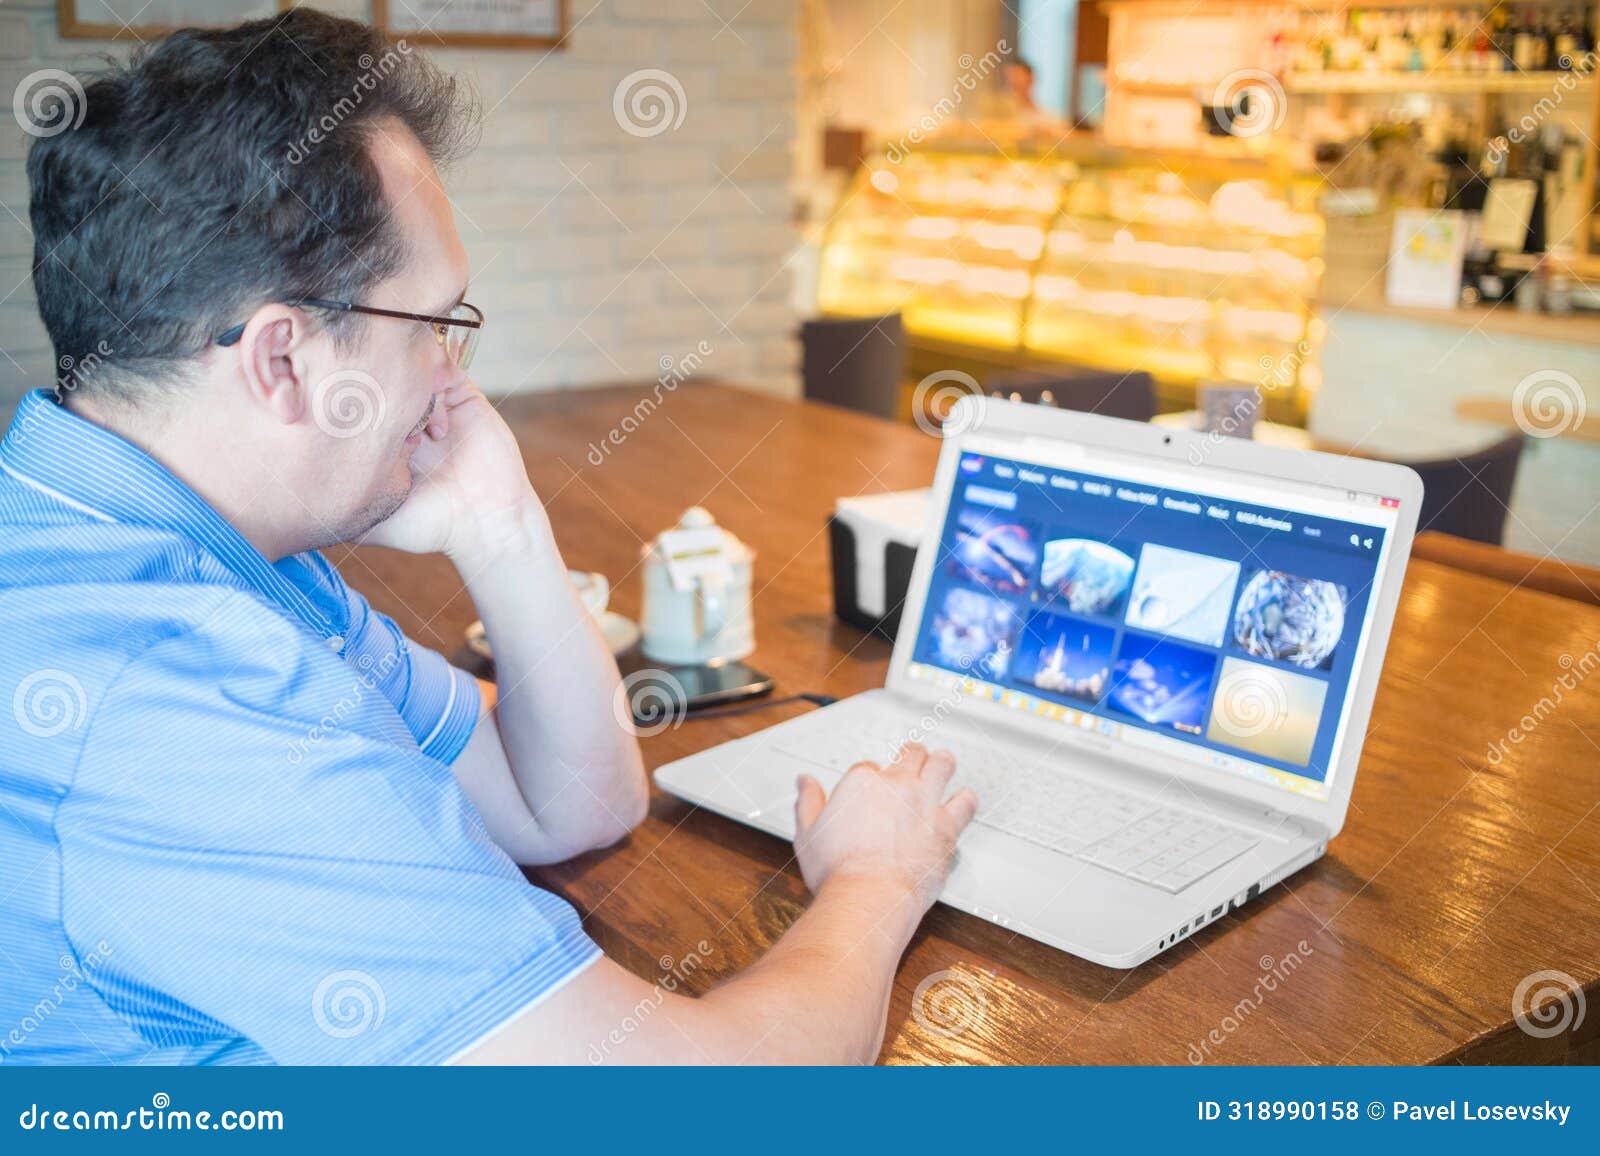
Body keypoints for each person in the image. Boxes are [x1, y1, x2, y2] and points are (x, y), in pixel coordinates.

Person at [0, 9, 975, 1065]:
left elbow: (569, 807)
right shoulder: (174, 693)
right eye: (437, 328)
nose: (454, 381)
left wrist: (501, 524)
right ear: (282, 361)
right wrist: (878, 879)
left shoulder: (179, 543)